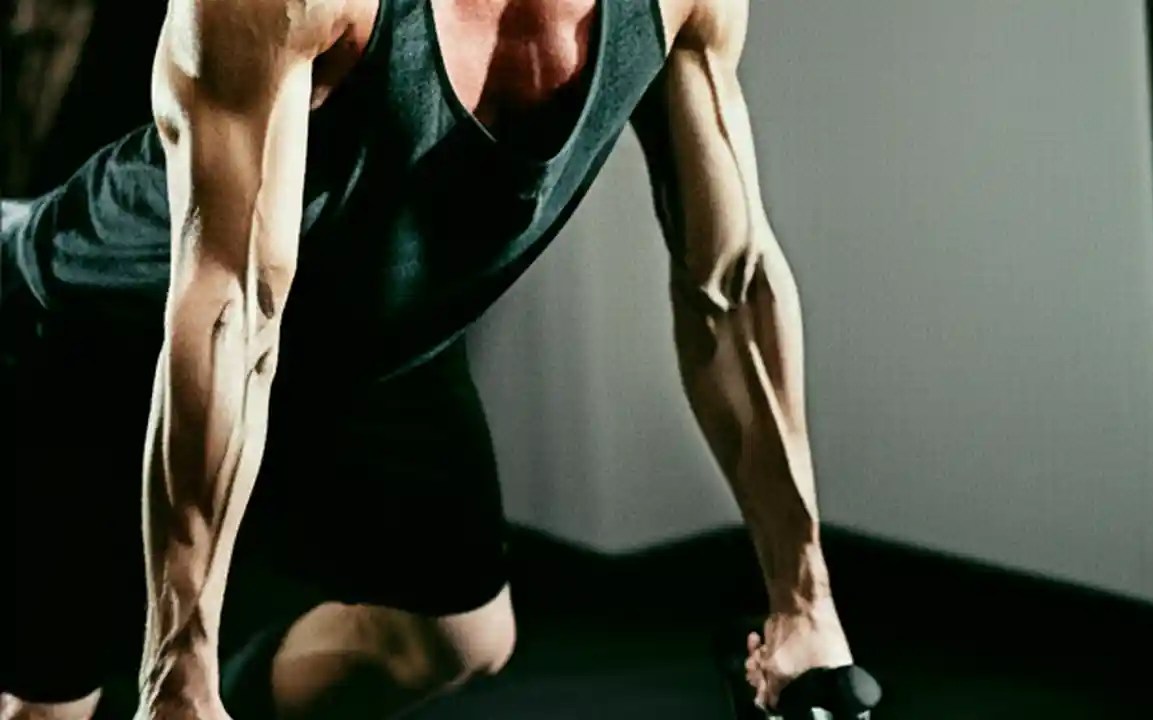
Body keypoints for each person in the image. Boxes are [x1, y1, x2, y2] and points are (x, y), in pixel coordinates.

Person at [0, 0, 857, 717]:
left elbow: (729, 287)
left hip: (370, 342)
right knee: (51, 707)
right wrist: (180, 680)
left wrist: (804, 602)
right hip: (110, 335)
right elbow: (231, 313)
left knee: (459, 636)